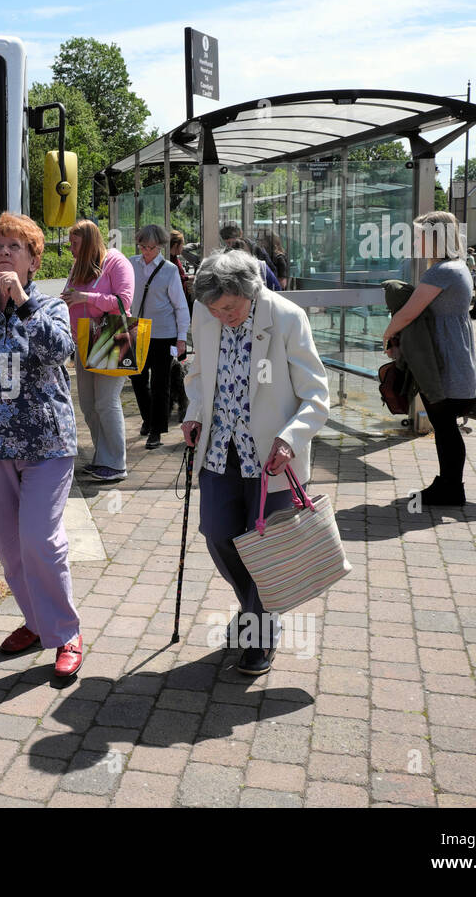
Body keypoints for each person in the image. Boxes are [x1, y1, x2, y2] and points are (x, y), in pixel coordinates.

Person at [0, 212, 85, 678]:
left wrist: (23, 302)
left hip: (46, 439)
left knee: (40, 539)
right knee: (9, 544)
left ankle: (65, 633)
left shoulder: (50, 308)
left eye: (16, 247)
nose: (5, 251)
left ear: (31, 261)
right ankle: (36, 622)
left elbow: (59, 351)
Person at [180, 251, 330, 676]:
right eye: (212, 309)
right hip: (219, 451)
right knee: (219, 537)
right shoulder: (206, 312)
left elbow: (317, 396)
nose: (220, 315)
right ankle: (256, 607)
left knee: (265, 548)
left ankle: (259, 634)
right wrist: (193, 412)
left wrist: (290, 439)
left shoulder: (285, 317)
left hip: (270, 459)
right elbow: (197, 373)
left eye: (229, 307)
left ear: (250, 292)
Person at [381, 211, 476, 507]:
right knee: (446, 425)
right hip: (455, 355)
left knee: (445, 425)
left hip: (443, 359)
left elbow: (409, 311)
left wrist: (387, 335)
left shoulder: (441, 272)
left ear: (436, 238)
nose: (417, 240)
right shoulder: (458, 267)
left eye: (421, 235)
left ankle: (450, 488)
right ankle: (448, 484)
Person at [62, 219, 134, 483]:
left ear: (90, 242)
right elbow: (67, 296)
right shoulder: (78, 266)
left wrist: (85, 298)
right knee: (89, 404)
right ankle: (103, 457)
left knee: (106, 401)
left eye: (75, 244)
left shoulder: (116, 261)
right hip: (84, 340)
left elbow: (123, 301)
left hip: (111, 336)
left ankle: (116, 463)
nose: (71, 249)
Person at [128, 225, 190, 449]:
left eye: (151, 247)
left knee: (160, 383)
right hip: (136, 331)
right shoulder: (131, 264)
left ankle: (156, 430)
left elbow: (181, 307)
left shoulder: (169, 270)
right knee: (136, 377)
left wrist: (181, 338)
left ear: (161, 246)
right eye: (143, 246)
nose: (146, 251)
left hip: (164, 334)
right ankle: (148, 418)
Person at [220, 223, 280, 291]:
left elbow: (271, 271)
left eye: (233, 242)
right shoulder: (225, 254)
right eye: (227, 243)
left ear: (241, 235)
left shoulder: (257, 249)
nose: (230, 246)